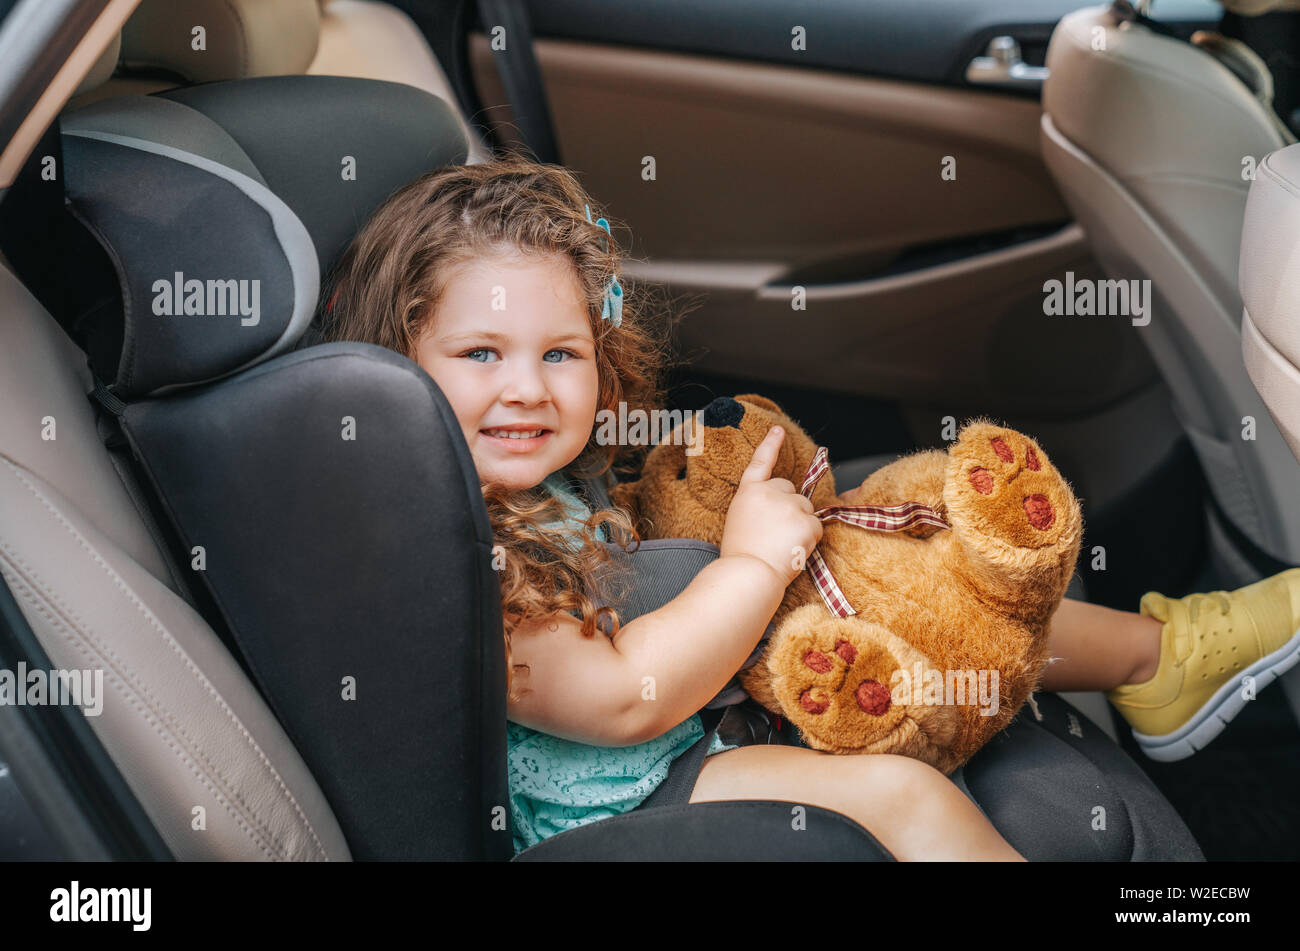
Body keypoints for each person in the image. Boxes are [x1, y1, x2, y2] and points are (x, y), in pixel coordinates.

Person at [320, 154, 1300, 861]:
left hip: (696, 720)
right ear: (395, 371)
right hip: (623, 798)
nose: (528, 388)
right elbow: (623, 702)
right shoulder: (464, 548)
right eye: (481, 355)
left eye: (560, 353)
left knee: (915, 578)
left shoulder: (541, 488)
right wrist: (753, 565)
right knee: (901, 801)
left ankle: (1161, 656)